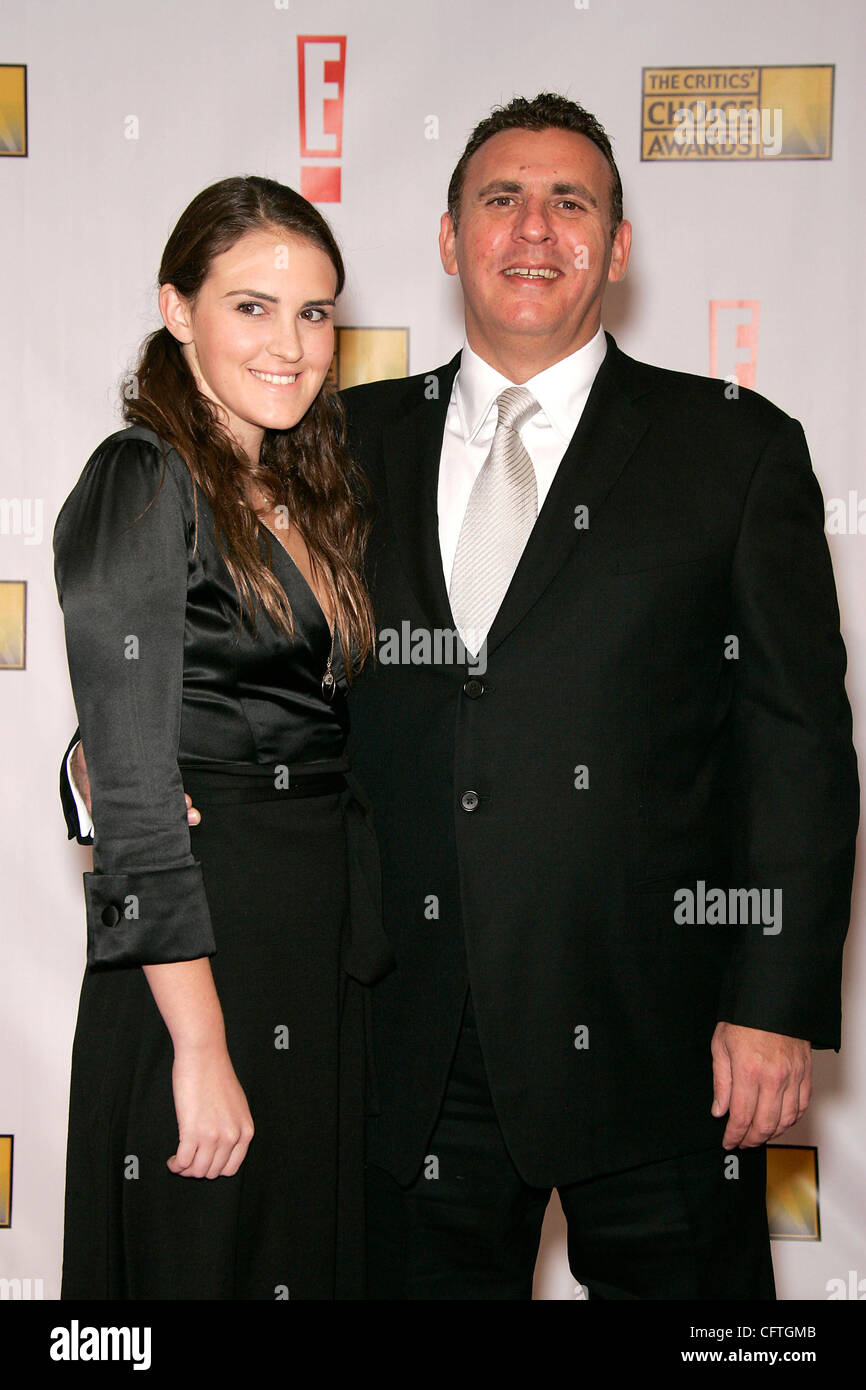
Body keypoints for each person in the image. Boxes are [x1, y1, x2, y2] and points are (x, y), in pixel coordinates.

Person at [67, 94, 859, 1301]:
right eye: (499, 199)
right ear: (447, 242)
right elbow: (236, 657)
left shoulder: (735, 447)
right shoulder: (333, 442)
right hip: (394, 1046)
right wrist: (99, 768)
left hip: (659, 1046)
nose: (531, 228)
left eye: (569, 201)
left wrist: (772, 1002)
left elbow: (797, 744)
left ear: (618, 244)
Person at [54, 175, 391, 1300]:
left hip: (312, 941)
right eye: (251, 306)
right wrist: (200, 1047)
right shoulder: (141, 478)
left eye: (313, 311)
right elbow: (137, 791)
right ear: (175, 307)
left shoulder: (304, 484)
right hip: (199, 956)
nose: (291, 344)